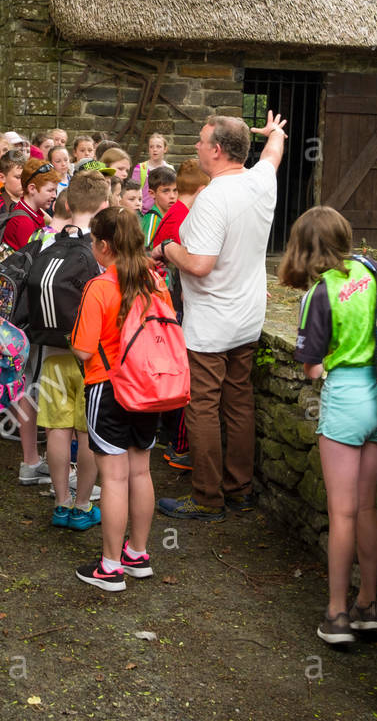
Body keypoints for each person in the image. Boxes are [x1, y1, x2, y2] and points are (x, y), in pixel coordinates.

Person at [279, 205, 377, 643]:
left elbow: (308, 367)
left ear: (303, 248)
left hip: (345, 398)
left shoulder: (320, 293)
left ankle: (337, 613)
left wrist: (327, 366)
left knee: (341, 513)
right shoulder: (376, 272)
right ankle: (369, 605)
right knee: (367, 508)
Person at [155, 111, 286, 522]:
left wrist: (168, 248)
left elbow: (199, 264)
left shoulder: (214, 197)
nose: (194, 146)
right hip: (247, 314)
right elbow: (275, 153)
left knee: (204, 406)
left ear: (216, 149)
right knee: (240, 403)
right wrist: (273, 133)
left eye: (199, 140)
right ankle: (240, 490)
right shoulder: (261, 180)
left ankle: (208, 497)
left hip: (212, 321)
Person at [70, 207, 170, 592]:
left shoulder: (100, 286)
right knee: (141, 471)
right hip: (148, 387)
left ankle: (109, 567)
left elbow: (81, 350)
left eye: (94, 241)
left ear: (104, 245)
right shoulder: (154, 281)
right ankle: (137, 554)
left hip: (108, 387)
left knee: (113, 478)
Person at [40, 173, 108, 530]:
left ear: (66, 205)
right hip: (89, 356)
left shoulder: (48, 241)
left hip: (52, 352)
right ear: (104, 207)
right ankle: (83, 505)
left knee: (56, 428)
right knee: (86, 432)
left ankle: (60, 502)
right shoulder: (101, 247)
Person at [3, 157, 61, 485]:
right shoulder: (24, 221)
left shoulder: (36, 214)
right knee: (27, 381)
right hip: (23, 310)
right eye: (50, 189)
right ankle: (30, 457)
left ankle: (33, 454)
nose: (54, 194)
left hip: (26, 307)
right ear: (32, 189)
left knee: (28, 380)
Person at [150, 160, 209, 471]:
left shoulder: (178, 213)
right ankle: (177, 443)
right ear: (200, 191)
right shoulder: (180, 216)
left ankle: (171, 436)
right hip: (172, 304)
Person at [139, 164, 177, 247]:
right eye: (165, 191)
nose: (172, 196)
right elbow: (146, 252)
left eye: (175, 190)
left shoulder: (172, 215)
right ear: (152, 193)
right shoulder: (152, 220)